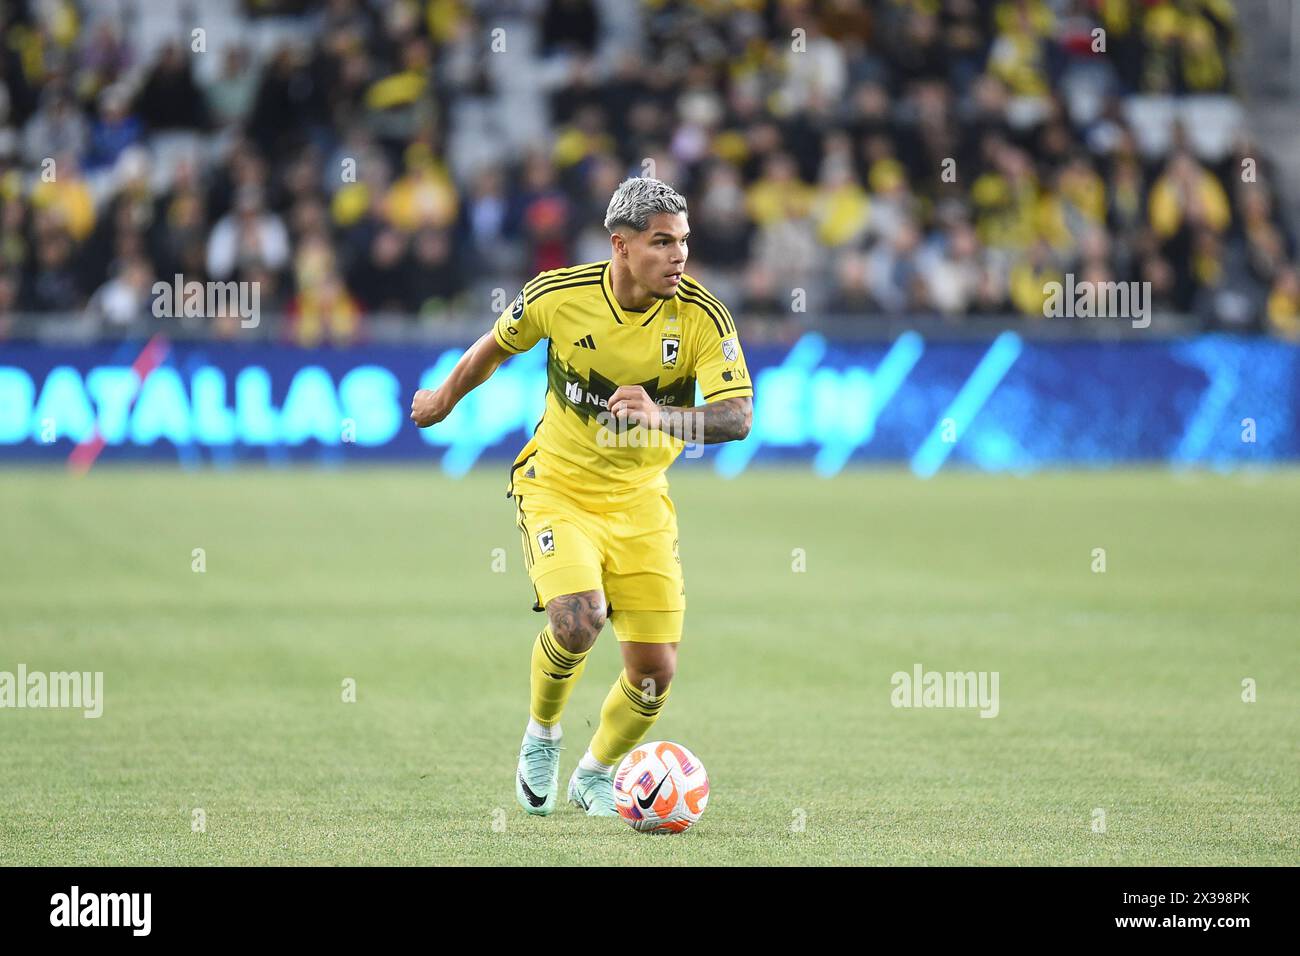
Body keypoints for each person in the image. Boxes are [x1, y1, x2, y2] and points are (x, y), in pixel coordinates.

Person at [410, 177, 753, 816]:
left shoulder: (704, 315)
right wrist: (442, 399)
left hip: (642, 499)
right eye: (662, 242)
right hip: (558, 487)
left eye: (684, 242)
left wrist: (659, 417)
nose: (679, 255)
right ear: (620, 245)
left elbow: (737, 418)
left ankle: (595, 773)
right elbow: (492, 349)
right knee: (578, 617)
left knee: (655, 673)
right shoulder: (557, 295)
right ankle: (542, 732)